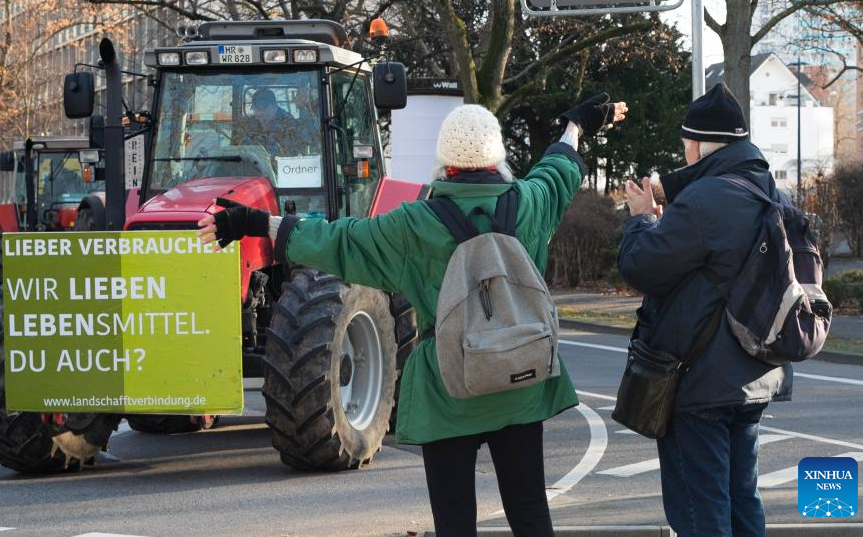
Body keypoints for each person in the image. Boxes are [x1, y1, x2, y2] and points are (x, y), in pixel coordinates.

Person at [199, 96, 627, 536]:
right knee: (530, 511)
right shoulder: (531, 202)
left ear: (445, 161)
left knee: (454, 519)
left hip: (448, 386)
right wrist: (577, 124)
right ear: (496, 155)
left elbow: (338, 240)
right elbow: (559, 168)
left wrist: (253, 223)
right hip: (520, 379)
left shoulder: (413, 224)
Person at [617, 83, 792, 537]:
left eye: (686, 143)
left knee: (701, 513)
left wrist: (642, 220)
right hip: (756, 373)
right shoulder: (772, 193)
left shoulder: (704, 198)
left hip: (699, 381)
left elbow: (640, 266)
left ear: (697, 144)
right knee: (742, 501)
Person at [234, 88, 305, 158]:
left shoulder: (289, 124)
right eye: (256, 109)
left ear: (274, 106)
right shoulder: (249, 124)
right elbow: (238, 147)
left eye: (263, 108)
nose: (259, 113)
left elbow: (293, 152)